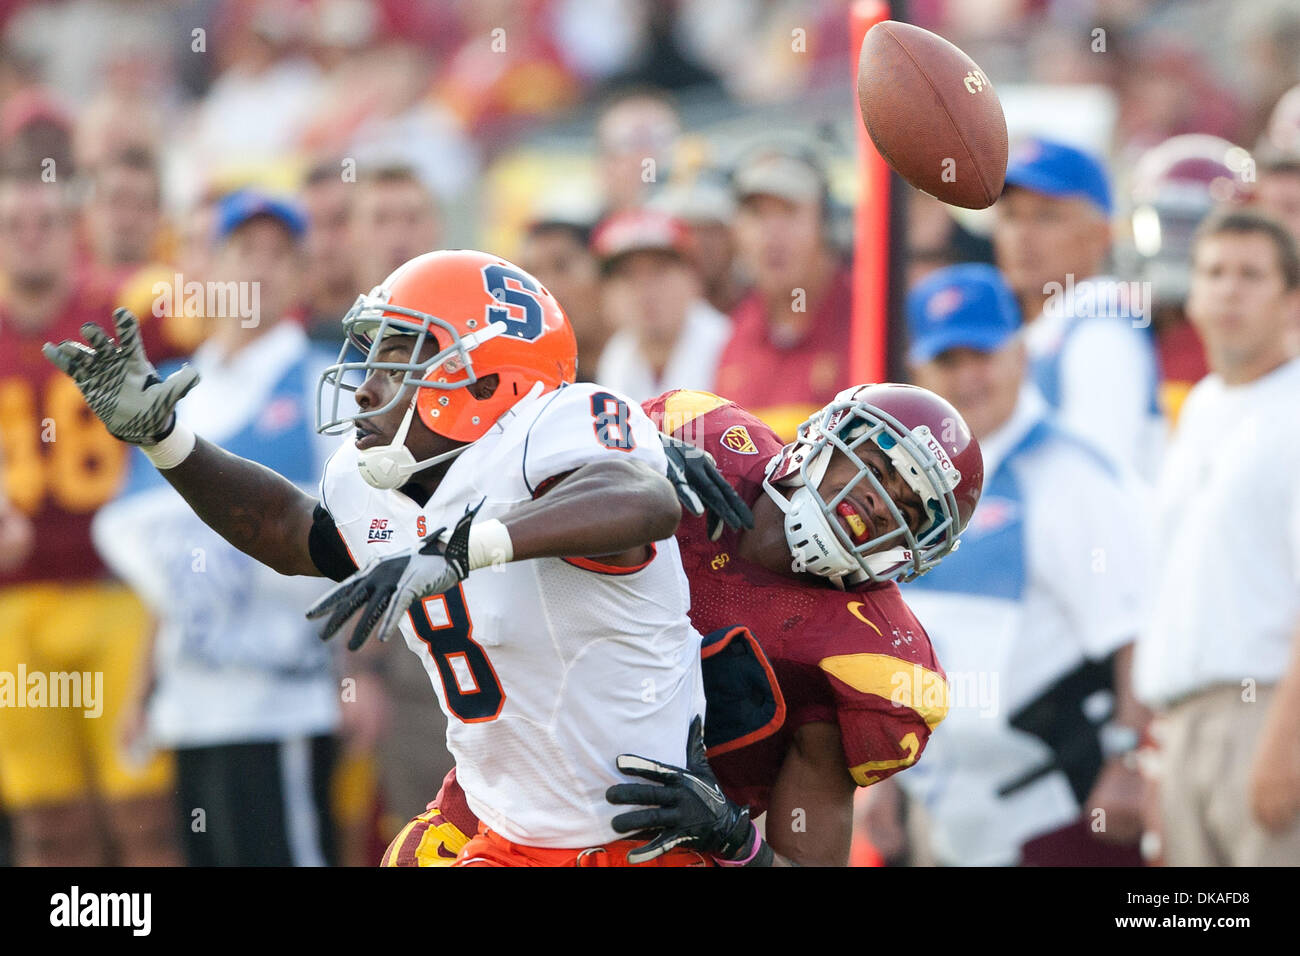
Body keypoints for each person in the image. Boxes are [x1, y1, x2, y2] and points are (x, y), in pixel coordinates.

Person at [43, 249, 745, 867]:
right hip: (502, 834)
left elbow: (641, 498)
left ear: (483, 381)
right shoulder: (371, 481)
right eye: (368, 352)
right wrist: (168, 441)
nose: (365, 384)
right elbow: (291, 533)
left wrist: (461, 548)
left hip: (640, 841)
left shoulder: (548, 431)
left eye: (401, 355)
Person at [384, 382, 985, 867]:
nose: (879, 501)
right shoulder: (698, 432)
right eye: (878, 465)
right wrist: (619, 462)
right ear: (826, 435)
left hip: (653, 845)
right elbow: (510, 461)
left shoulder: (862, 656)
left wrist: (732, 837)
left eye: (908, 508)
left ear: (920, 549)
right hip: (505, 796)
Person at [867, 263, 1151, 866]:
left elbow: (1135, 632)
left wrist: (1129, 759)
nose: (969, 377)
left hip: (1054, 802)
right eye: (949, 361)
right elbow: (892, 645)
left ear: (1021, 353)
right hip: (940, 807)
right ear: (919, 373)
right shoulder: (899, 487)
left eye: (984, 354)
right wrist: (881, 780)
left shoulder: (1071, 474)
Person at [90, 190, 343, 866]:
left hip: (286, 696)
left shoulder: (328, 385)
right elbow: (163, 568)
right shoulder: (165, 387)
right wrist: (143, 692)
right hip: (194, 700)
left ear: (300, 274)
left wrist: (363, 673)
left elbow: (364, 542)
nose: (258, 270)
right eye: (242, 252)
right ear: (205, 266)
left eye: (277, 255)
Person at [0, 171, 178, 866]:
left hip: (118, 593)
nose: (31, 238)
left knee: (146, 819)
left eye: (44, 222)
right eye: (14, 225)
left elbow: (211, 325)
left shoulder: (121, 308)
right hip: (15, 603)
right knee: (48, 824)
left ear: (72, 232)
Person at [1134, 210, 1300, 865]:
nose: (1228, 290)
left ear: (1291, 299)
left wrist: (1284, 749)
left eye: (1251, 275)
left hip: (1261, 715)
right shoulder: (1200, 406)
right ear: (1192, 293)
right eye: (1213, 273)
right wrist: (1158, 749)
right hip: (1184, 720)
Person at [993, 137, 1164, 480]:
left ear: (1101, 235)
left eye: (1046, 217)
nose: (1022, 236)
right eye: (1010, 216)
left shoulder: (1101, 333)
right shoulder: (1049, 328)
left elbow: (1098, 481)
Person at [713, 146, 852, 439]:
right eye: (757, 215)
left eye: (788, 212)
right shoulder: (732, 332)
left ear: (825, 224)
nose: (771, 233)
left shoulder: (872, 320)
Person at [592, 207, 730, 402]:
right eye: (627, 276)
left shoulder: (729, 342)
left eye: (659, 271)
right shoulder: (616, 355)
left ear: (693, 278)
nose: (645, 290)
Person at [516, 216, 607, 381]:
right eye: (530, 273)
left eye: (561, 266)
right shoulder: (530, 387)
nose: (545, 288)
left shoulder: (651, 360)